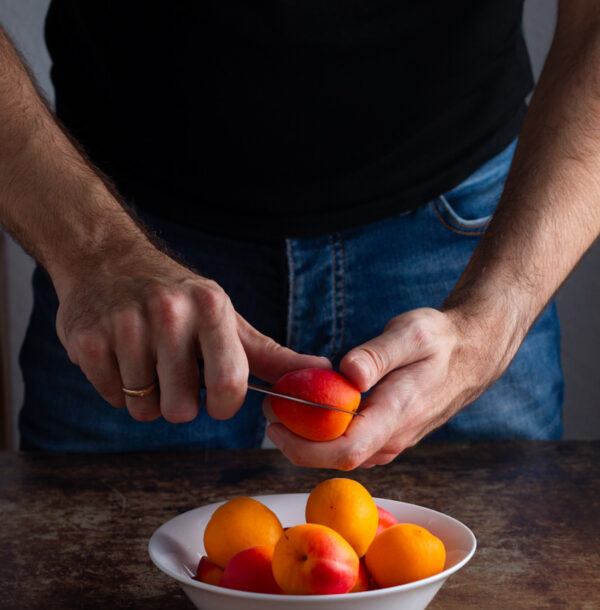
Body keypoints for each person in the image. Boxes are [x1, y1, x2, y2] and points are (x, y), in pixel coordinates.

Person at [0, 2, 595, 467]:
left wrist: (492, 321)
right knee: (93, 605)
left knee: (497, 606)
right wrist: (96, 253)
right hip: (120, 245)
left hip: (465, 239)